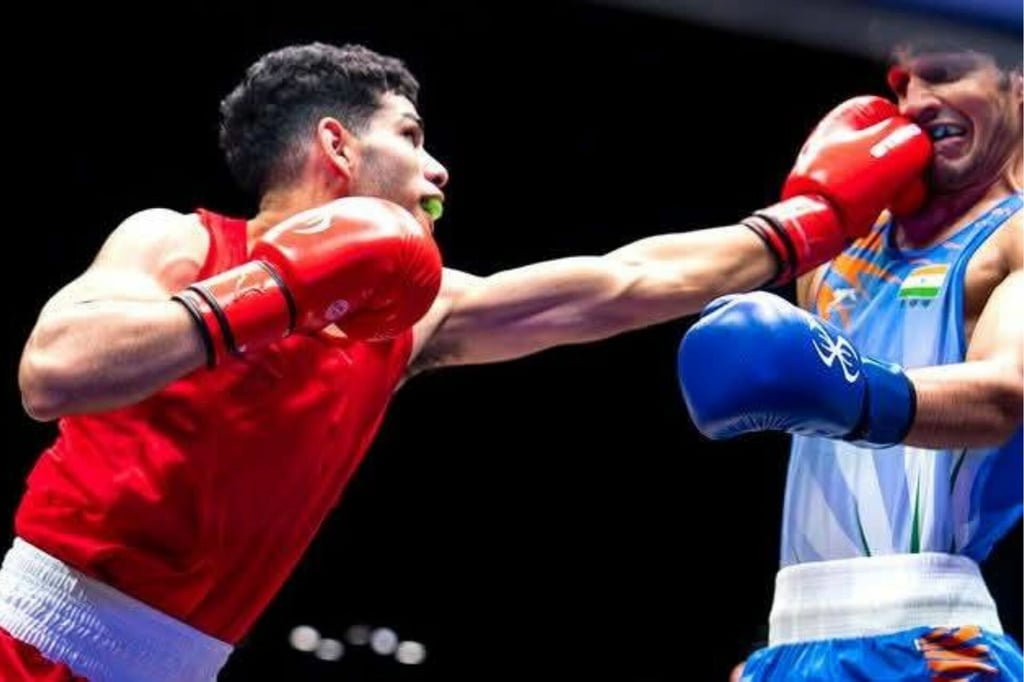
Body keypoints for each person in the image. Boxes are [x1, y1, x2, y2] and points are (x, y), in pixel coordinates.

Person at [2, 42, 930, 681]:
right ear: (335, 143)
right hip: (24, 636)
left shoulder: (411, 319)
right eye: (410, 136)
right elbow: (52, 371)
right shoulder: (179, 242)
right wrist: (274, 294)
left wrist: (807, 225)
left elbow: (619, 283)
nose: (439, 168)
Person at [678, 37, 1023, 680]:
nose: (918, 102)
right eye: (904, 84)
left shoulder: (1015, 231)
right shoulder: (849, 236)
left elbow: (1006, 393)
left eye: (945, 74)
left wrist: (853, 391)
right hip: (790, 637)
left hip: (937, 635)